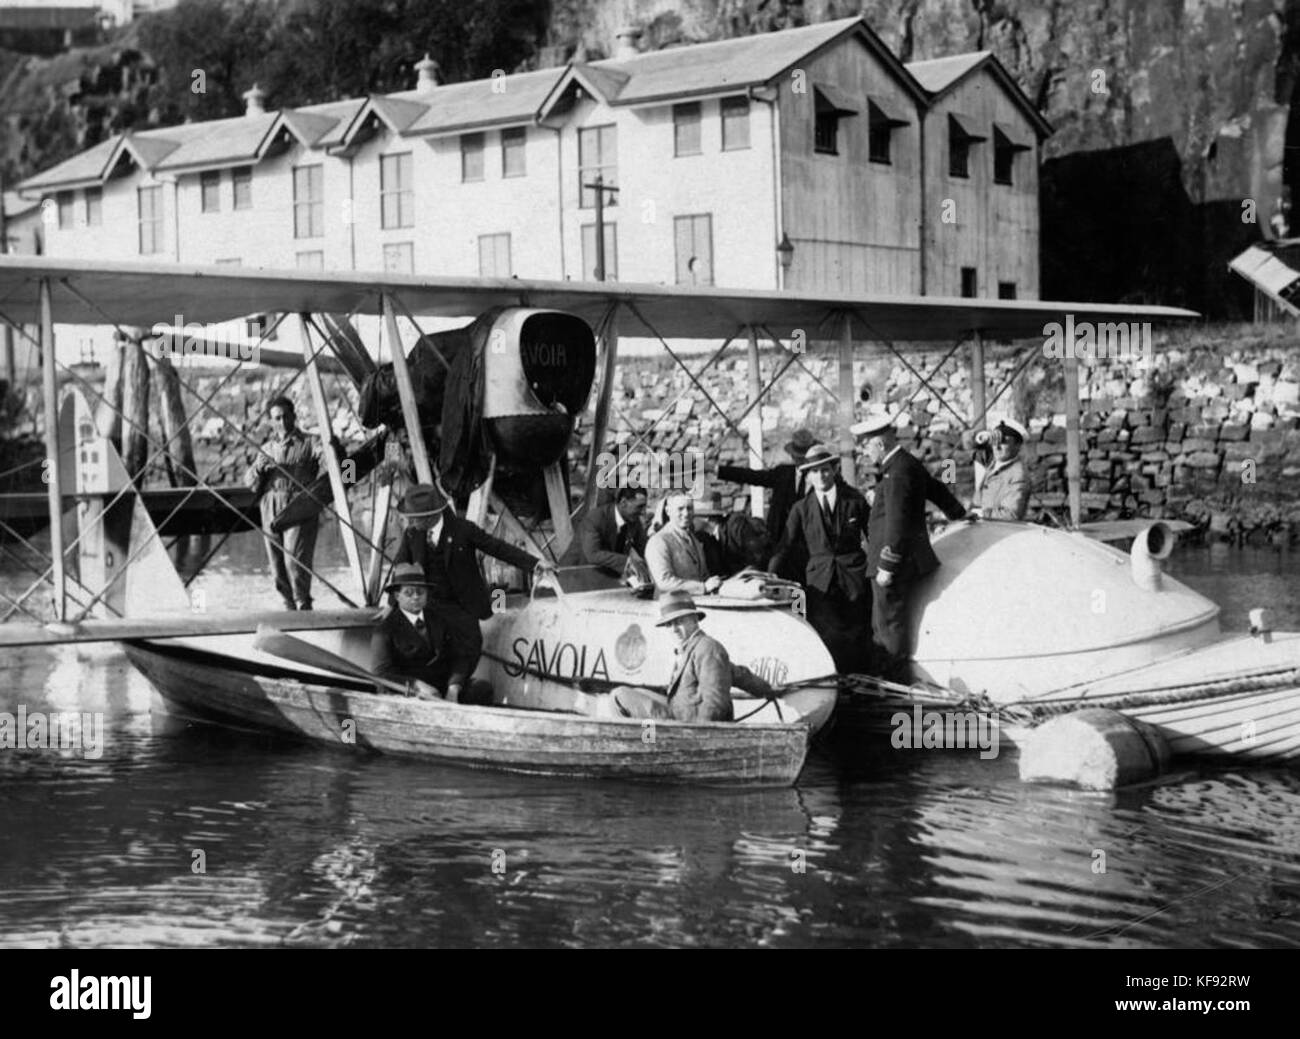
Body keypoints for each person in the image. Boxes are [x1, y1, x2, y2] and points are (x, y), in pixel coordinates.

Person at [391, 483, 556, 674]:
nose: (410, 523)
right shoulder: (412, 534)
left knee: (471, 646)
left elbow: (497, 548)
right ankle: (439, 686)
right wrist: (390, 605)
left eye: (414, 519)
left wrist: (536, 563)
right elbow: (400, 568)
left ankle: (457, 686)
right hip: (430, 606)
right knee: (427, 649)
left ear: (429, 516)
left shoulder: (463, 529)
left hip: (462, 606)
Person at [854, 413, 967, 683]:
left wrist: (886, 566)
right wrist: (959, 514)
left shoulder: (896, 472)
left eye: (865, 447)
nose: (863, 454)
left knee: (888, 627)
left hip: (893, 563)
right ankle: (889, 680)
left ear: (879, 444)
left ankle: (896, 686)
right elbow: (935, 488)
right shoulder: (905, 464)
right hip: (903, 560)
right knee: (883, 624)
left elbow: (897, 522)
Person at [769, 443, 873, 673]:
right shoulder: (801, 508)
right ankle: (835, 683)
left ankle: (860, 683)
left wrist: (878, 569)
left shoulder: (855, 500)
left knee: (857, 630)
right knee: (827, 632)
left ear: (834, 469)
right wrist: (769, 575)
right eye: (814, 471)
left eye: (825, 469)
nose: (821, 475)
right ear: (808, 475)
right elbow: (785, 544)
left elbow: (873, 536)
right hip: (820, 582)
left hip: (854, 576)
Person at [609, 592, 777, 722]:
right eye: (669, 624)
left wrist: (697, 738)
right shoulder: (693, 647)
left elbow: (715, 703)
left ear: (694, 619)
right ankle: (648, 742)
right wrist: (767, 689)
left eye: (679, 621)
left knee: (619, 696)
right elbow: (738, 674)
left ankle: (648, 743)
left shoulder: (708, 648)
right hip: (679, 712)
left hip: (688, 724)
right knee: (637, 693)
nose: (674, 629)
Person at [243, 396, 329, 611]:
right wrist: (257, 469)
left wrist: (336, 453)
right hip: (270, 503)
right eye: (277, 418)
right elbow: (251, 484)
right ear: (271, 421)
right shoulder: (267, 448)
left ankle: (303, 604)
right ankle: (288, 606)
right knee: (276, 565)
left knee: (295, 561)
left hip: (299, 504)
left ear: (294, 416)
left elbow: (339, 467)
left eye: (285, 416)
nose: (282, 422)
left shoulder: (311, 442)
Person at [370, 563, 478, 702]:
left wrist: (454, 687)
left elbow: (460, 657)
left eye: (420, 592)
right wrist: (417, 686)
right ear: (397, 596)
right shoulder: (385, 629)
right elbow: (381, 675)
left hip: (443, 693)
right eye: (408, 593)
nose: (415, 597)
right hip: (408, 696)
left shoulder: (440, 620)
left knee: (482, 689)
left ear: (427, 594)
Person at [717, 428, 816, 578]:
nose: (800, 461)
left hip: (809, 549)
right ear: (792, 456)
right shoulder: (783, 474)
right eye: (797, 457)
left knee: (804, 594)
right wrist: (718, 470)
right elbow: (751, 476)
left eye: (804, 457)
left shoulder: (820, 479)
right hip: (780, 547)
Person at [558, 486, 648, 576]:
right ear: (623, 503)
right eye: (639, 507)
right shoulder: (595, 518)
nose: (643, 512)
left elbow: (644, 548)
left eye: (644, 507)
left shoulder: (633, 521)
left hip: (602, 577)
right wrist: (627, 561)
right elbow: (593, 554)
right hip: (572, 574)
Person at [644, 493, 722, 595]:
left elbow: (703, 575)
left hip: (696, 603)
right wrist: (703, 587)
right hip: (669, 606)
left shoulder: (694, 540)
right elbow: (664, 582)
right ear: (668, 511)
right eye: (680, 509)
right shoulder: (658, 541)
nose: (686, 513)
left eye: (689, 508)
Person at [971, 418, 1031, 520]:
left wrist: (980, 514)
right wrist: (981, 436)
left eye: (1004, 442)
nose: (997, 446)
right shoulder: (992, 462)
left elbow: (1011, 515)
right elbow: (968, 441)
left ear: (1017, 445)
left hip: (1001, 530)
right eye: (995, 441)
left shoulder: (1018, 474)